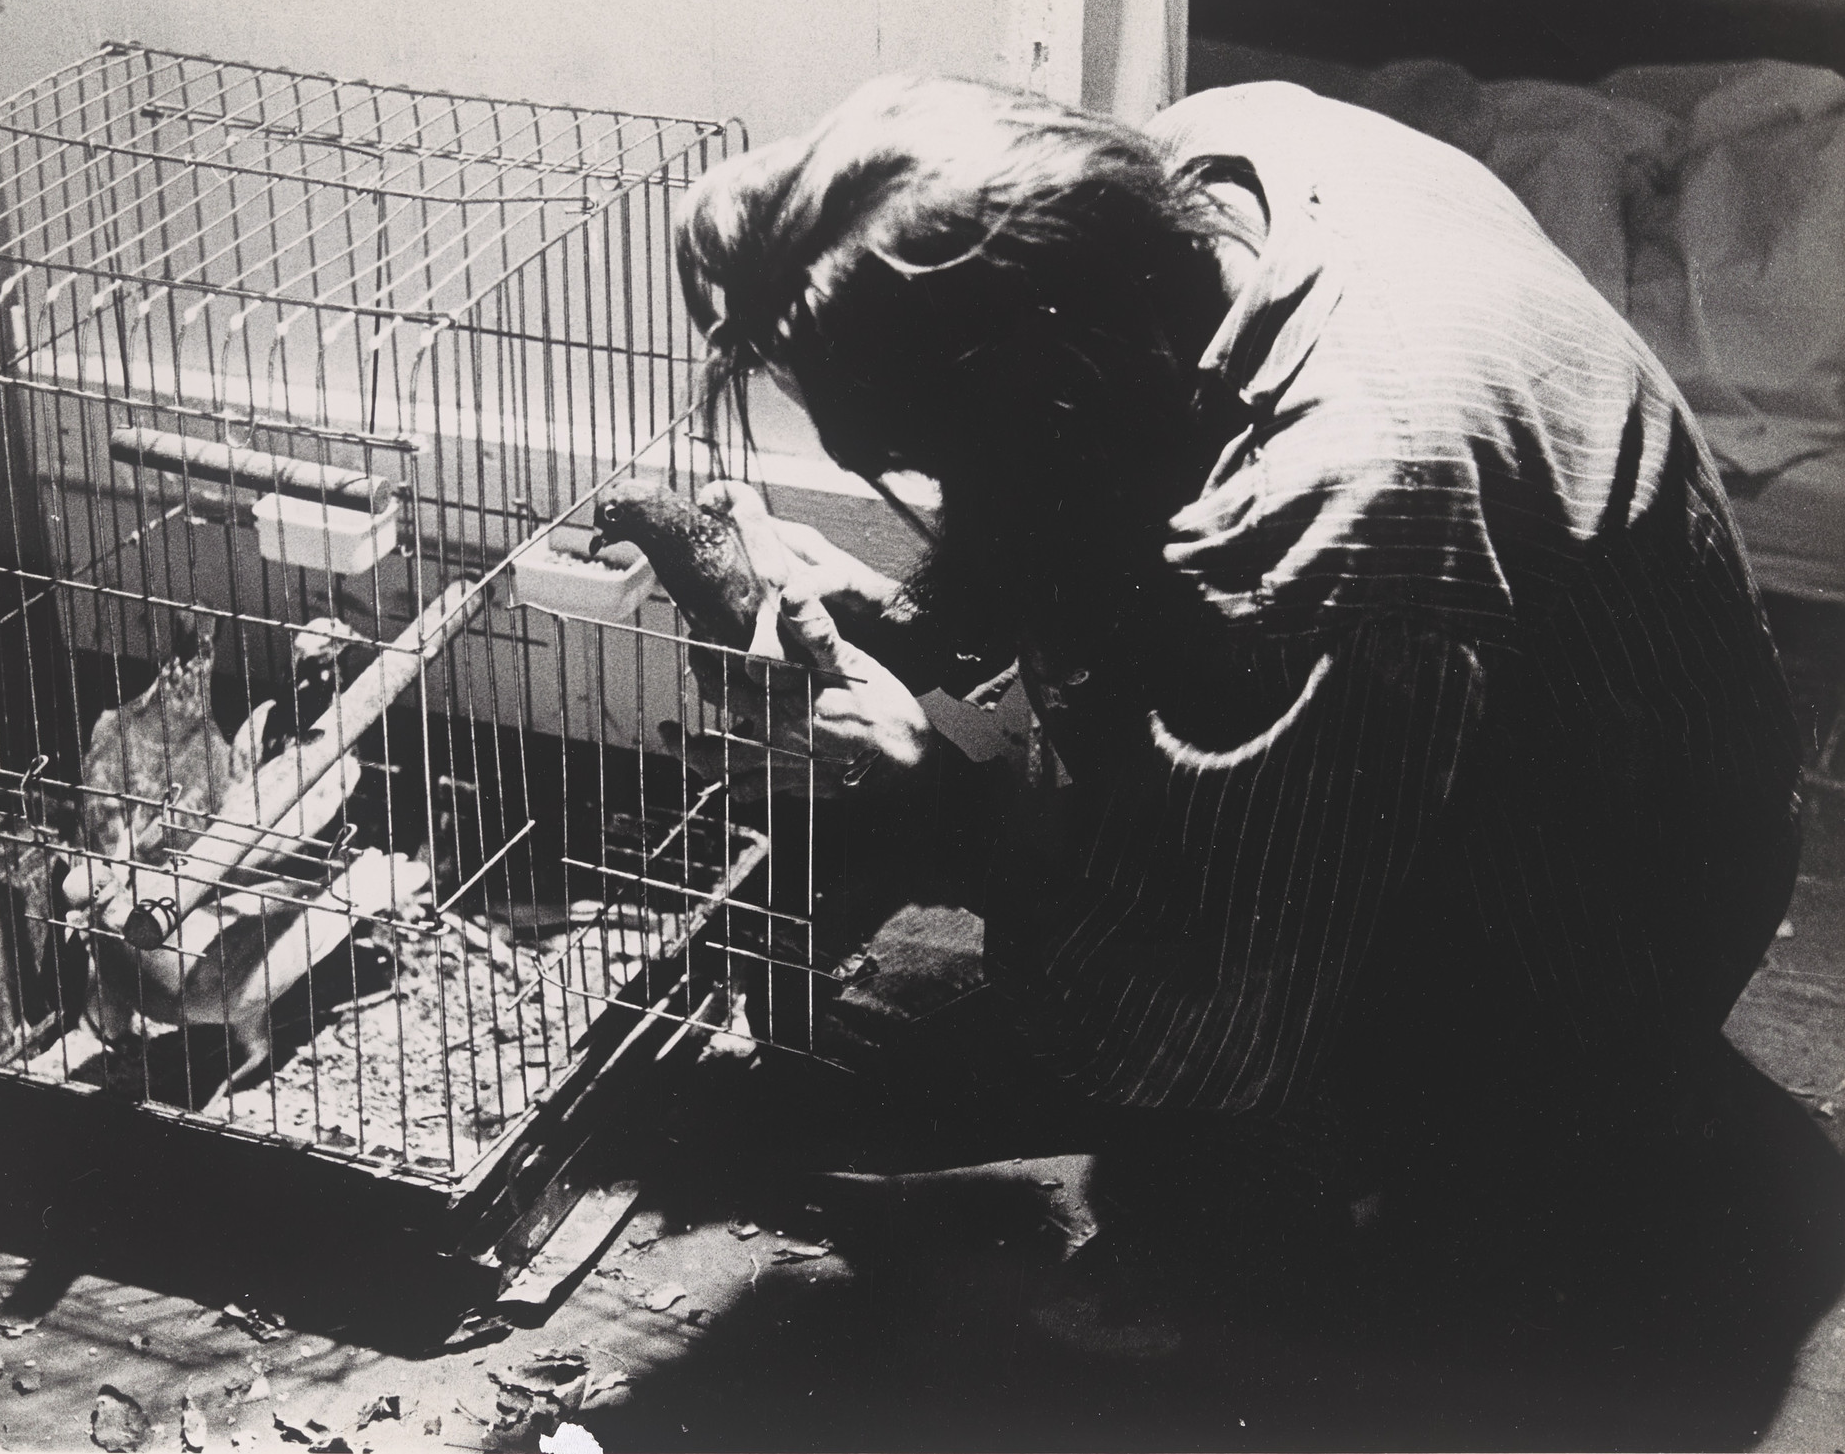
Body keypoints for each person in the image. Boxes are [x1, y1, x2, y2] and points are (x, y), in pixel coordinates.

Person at [666, 73, 1803, 1236]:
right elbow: (1088, 492)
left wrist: (937, 804)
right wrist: (917, 616)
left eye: (919, 457)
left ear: (1052, 410)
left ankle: (1458, 1129)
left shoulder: (1328, 519)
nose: (912, 488)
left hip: (1611, 924)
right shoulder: (1198, 164)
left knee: (1163, 1101)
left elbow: (1188, 1036)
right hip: (1510, 704)